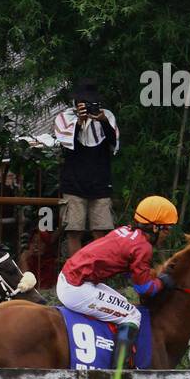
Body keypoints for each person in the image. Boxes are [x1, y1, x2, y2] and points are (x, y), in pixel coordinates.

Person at [57, 196, 178, 370]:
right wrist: (163, 282)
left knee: (126, 307)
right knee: (132, 316)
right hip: (76, 288)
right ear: (155, 227)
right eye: (167, 230)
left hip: (73, 278)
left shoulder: (125, 231)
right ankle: (118, 374)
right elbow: (144, 288)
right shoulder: (143, 247)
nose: (167, 235)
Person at [53, 78, 119, 257]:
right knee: (74, 232)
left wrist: (103, 121)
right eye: (85, 101)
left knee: (101, 232)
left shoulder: (107, 116)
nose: (89, 105)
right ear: (76, 101)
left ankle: (98, 276)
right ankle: (76, 276)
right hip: (73, 184)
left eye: (92, 101)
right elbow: (66, 144)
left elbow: (114, 145)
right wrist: (79, 122)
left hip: (100, 183)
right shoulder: (64, 118)